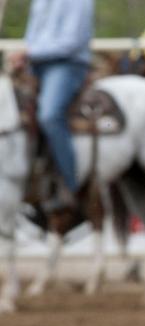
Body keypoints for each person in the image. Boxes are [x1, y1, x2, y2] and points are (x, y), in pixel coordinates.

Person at [11, 0, 95, 214]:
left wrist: (29, 52)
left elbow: (71, 42)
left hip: (67, 64)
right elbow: (32, 34)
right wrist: (23, 54)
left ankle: (70, 185)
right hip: (36, 65)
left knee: (50, 115)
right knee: (10, 113)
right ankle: (24, 179)